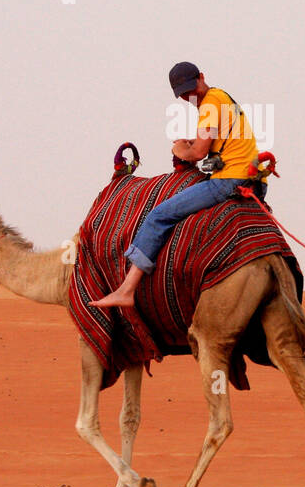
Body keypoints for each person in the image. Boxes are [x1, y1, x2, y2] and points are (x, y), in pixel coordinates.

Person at [91, 62, 259, 309]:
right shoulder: (222, 98)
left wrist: (181, 150)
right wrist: (193, 143)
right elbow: (216, 141)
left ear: (202, 77)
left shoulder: (210, 102)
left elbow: (200, 153)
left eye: (191, 88)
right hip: (251, 178)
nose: (189, 96)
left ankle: (126, 289)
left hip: (229, 180)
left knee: (159, 215)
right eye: (183, 93)